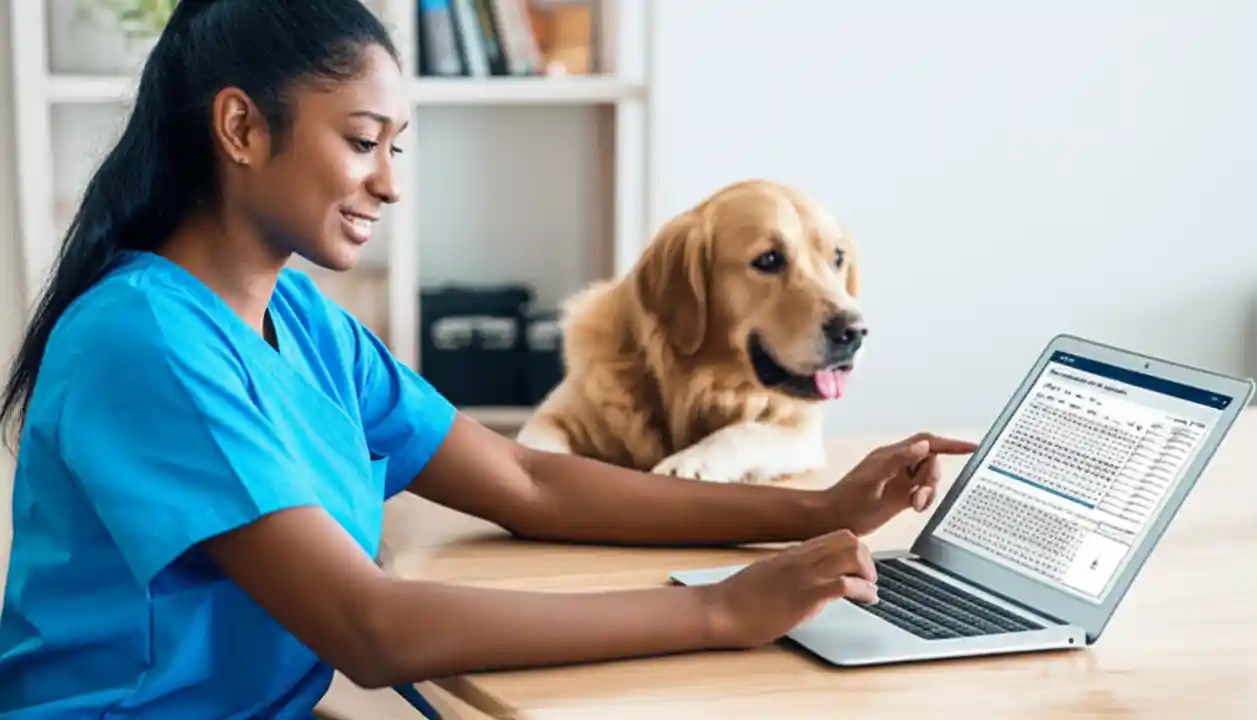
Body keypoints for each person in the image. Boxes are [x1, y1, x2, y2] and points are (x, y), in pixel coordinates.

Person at [0, 0, 976, 716]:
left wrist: (815, 511)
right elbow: (371, 629)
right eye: (362, 141)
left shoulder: (296, 314)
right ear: (241, 127)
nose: (388, 183)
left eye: (399, 147)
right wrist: (721, 613)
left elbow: (521, 479)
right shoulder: (147, 341)